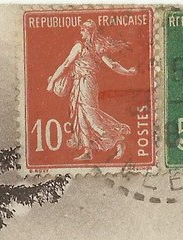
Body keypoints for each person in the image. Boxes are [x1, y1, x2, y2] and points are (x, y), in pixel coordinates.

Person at [46, 20, 137, 161]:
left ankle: (117, 139)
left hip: (86, 83)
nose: (81, 33)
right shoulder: (96, 45)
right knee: (80, 115)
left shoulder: (80, 46)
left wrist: (52, 81)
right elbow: (112, 65)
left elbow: (65, 65)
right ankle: (87, 151)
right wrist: (128, 72)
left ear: (88, 31)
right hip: (80, 83)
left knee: (90, 114)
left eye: (82, 30)